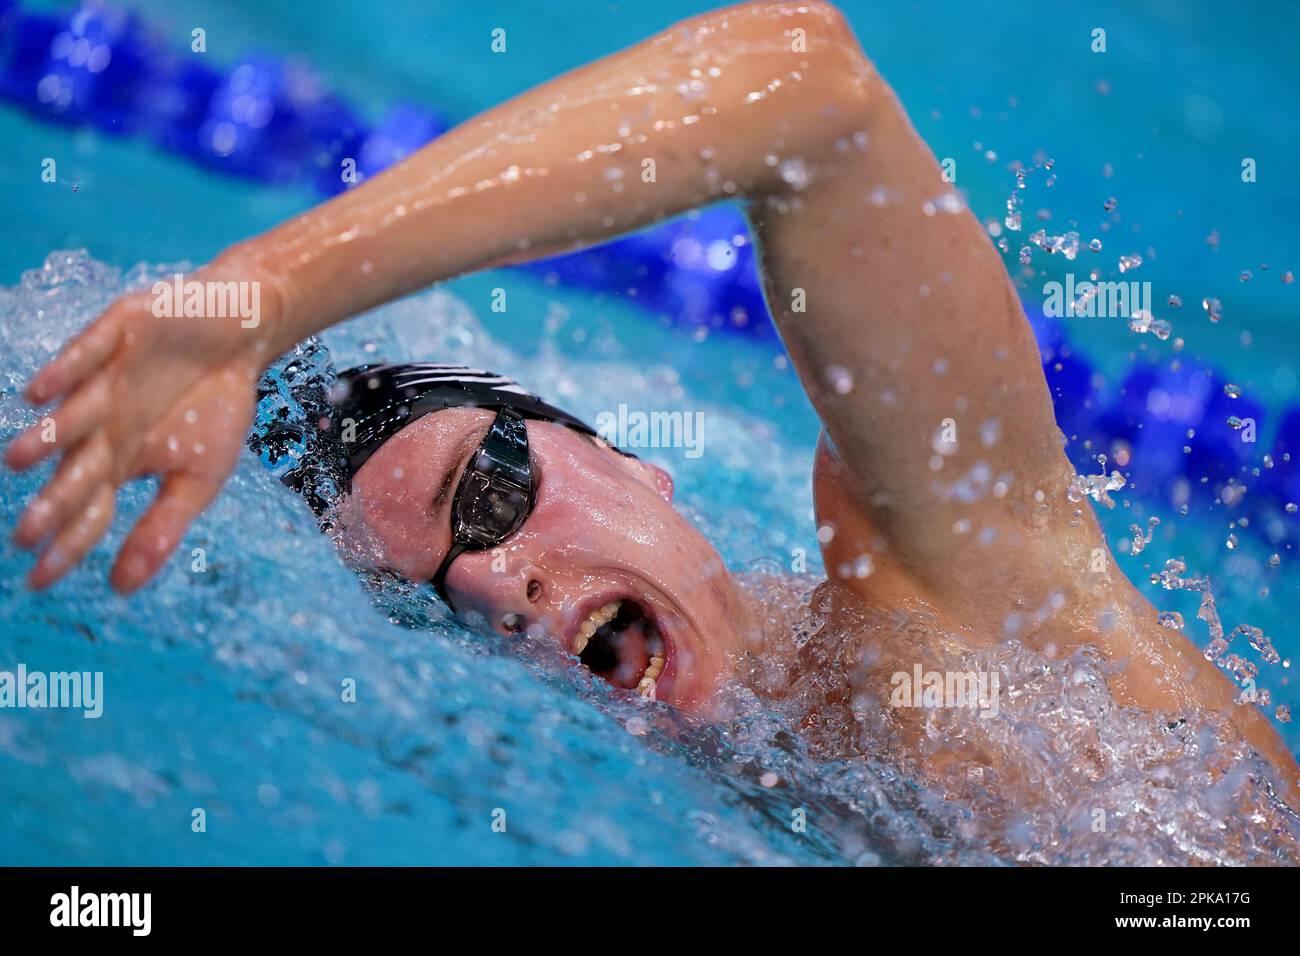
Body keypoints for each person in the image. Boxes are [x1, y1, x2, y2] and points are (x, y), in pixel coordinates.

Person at [7, 1, 1297, 801]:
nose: (492, 586)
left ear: (637, 459)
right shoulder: (744, 791)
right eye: (428, 605)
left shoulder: (940, 583)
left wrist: (258, 296)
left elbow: (806, 88)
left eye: (491, 490)